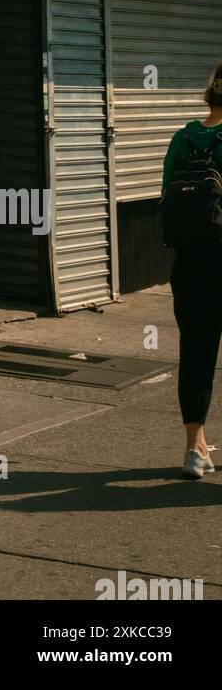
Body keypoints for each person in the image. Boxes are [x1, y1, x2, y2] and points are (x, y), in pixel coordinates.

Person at [162, 65, 222, 481]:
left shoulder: (183, 139)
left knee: (197, 353)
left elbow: (165, 198)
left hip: (190, 263)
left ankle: (194, 449)